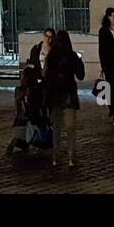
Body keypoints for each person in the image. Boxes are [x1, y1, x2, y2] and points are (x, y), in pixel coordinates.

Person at [41, 29, 85, 168]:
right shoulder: (72, 56)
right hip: (69, 93)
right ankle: (71, 156)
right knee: (70, 127)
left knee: (57, 127)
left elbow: (44, 74)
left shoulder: (51, 55)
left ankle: (56, 156)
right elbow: (81, 75)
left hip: (54, 94)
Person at [98, 7, 114, 125]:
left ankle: (113, 110)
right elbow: (102, 49)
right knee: (111, 86)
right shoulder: (103, 30)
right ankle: (112, 112)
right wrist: (103, 65)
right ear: (108, 17)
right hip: (109, 63)